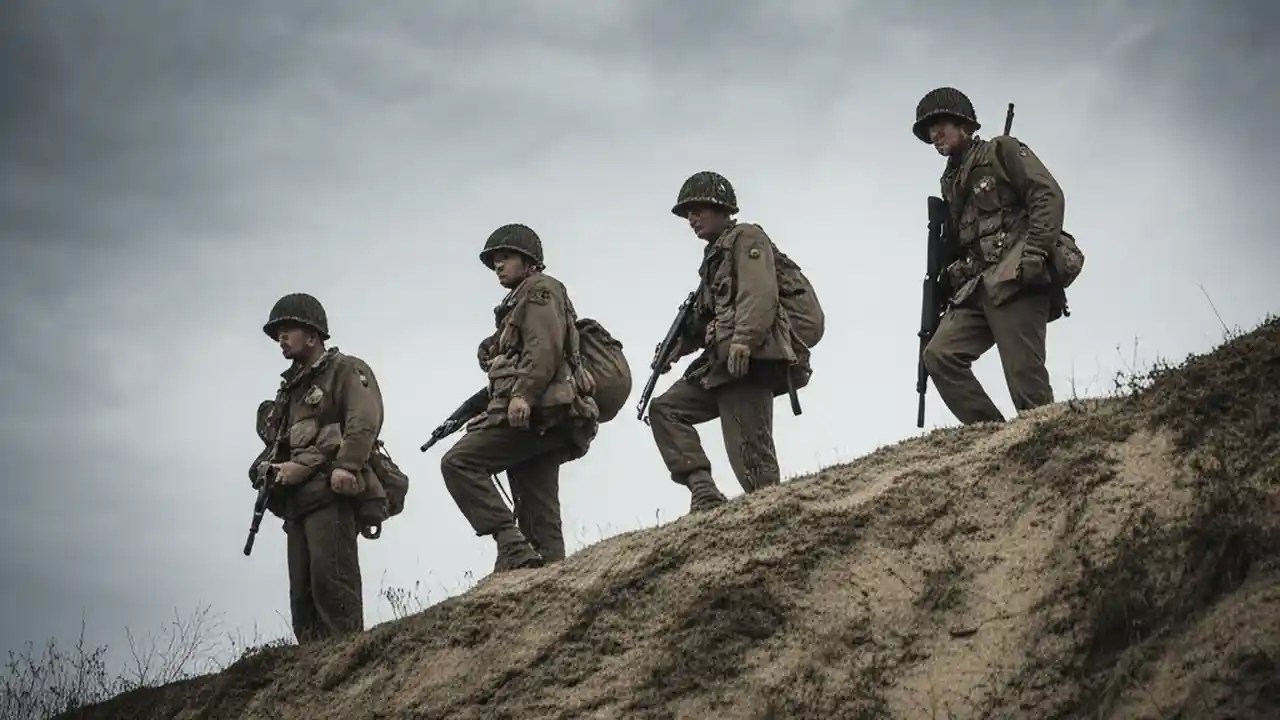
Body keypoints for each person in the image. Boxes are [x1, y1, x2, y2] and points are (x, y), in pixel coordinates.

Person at [648, 171, 823, 513]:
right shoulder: (714, 260)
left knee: (752, 462)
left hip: (750, 362)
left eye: (697, 210)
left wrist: (744, 339)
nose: (691, 220)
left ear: (719, 208)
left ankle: (779, 521)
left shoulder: (747, 237)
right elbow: (701, 320)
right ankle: (703, 491)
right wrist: (674, 349)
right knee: (665, 410)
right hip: (723, 366)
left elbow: (759, 293)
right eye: (687, 214)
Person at [439, 223, 599, 572]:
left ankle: (509, 542)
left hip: (538, 412)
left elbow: (544, 349)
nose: (498, 265)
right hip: (541, 415)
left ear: (529, 262)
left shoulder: (540, 290)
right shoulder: (516, 303)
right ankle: (544, 577)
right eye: (495, 260)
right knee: (537, 507)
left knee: (458, 462)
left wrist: (522, 395)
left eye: (506, 257)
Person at [913, 87, 1066, 424]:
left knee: (1027, 385)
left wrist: (1034, 256)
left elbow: (1047, 195)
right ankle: (991, 438)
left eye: (940, 123)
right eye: (928, 131)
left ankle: (1054, 446)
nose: (934, 134)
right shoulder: (950, 183)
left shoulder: (1001, 150)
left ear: (964, 123)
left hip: (1016, 278)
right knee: (939, 355)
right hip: (977, 287)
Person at [250, 292, 386, 642]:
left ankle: (346, 659)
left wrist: (347, 466)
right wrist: (269, 470)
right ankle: (312, 672)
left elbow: (364, 420)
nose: (281, 337)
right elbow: (280, 443)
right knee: (303, 594)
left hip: (329, 494)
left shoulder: (345, 370)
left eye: (288, 329)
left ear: (312, 335)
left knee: (333, 584)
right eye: (278, 332)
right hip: (297, 503)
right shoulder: (289, 391)